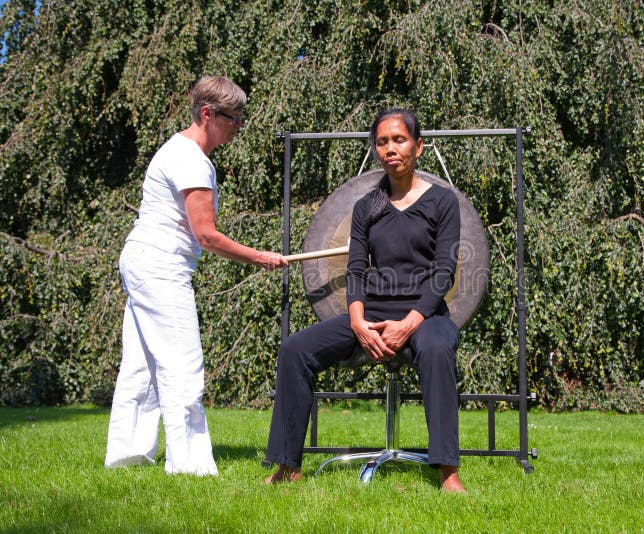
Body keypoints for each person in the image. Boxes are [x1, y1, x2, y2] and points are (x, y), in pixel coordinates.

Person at [264, 108, 466, 492]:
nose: (391, 148)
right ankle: (287, 465)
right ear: (376, 149)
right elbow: (356, 270)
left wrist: (409, 323)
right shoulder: (366, 207)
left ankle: (447, 473)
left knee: (438, 348)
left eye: (400, 139)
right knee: (294, 349)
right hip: (370, 314)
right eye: (382, 141)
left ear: (419, 147)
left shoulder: (443, 202)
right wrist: (357, 322)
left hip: (426, 317)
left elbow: (444, 272)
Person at [105, 76, 287, 476]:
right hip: (161, 265)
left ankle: (127, 455)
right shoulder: (190, 159)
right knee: (182, 365)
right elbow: (206, 235)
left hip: (141, 259)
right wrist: (260, 257)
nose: (239, 125)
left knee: (142, 365)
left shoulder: (176, 149)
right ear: (208, 114)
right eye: (233, 118)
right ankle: (189, 466)